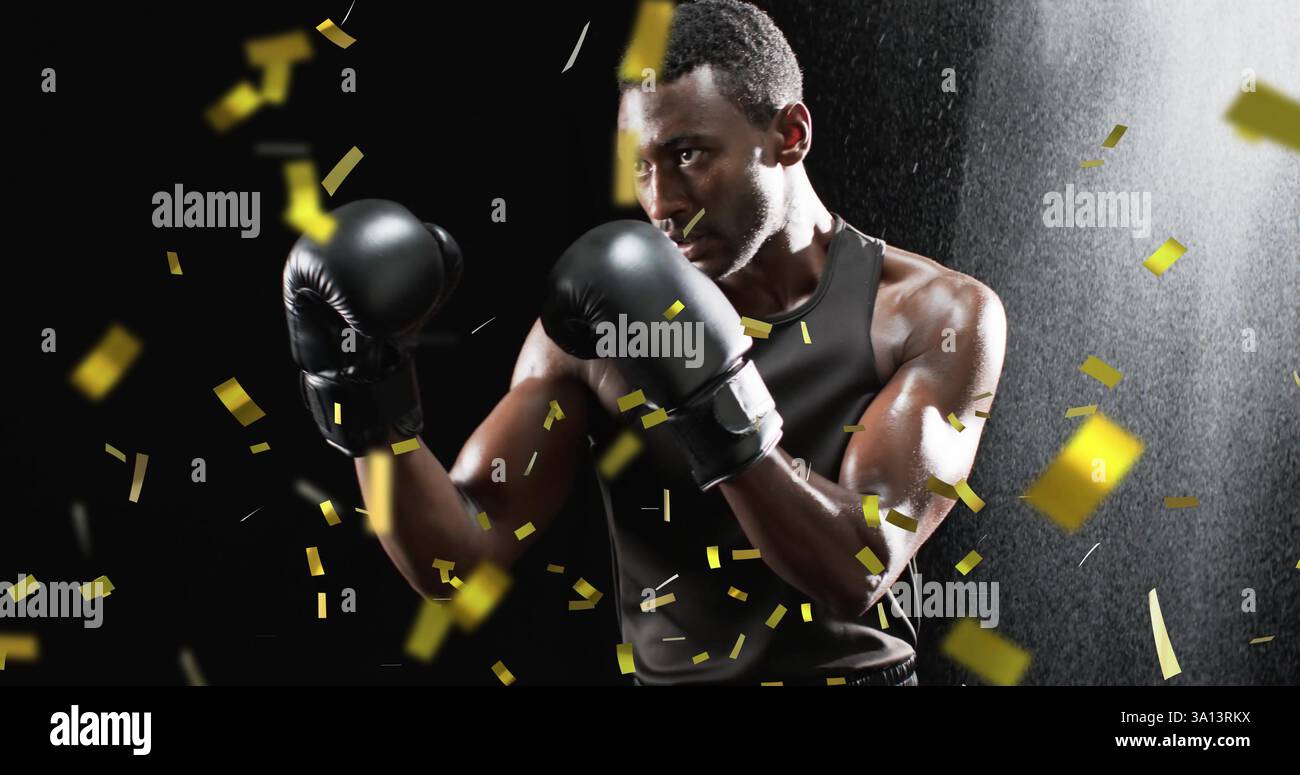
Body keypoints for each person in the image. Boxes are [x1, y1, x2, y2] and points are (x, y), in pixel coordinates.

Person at [282, 0, 1005, 686]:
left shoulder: (935, 314)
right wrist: (364, 393)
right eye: (640, 165)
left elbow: (861, 568)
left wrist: (707, 390)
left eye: (688, 155)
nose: (661, 204)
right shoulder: (597, 336)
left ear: (790, 135)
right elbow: (461, 565)